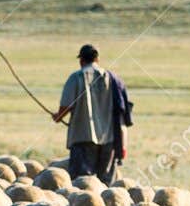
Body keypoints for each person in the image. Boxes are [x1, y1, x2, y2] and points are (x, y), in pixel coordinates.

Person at [54, 44, 132, 182]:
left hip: (83, 138)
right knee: (107, 185)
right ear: (97, 59)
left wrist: (58, 117)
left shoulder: (76, 77)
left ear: (81, 60)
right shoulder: (113, 79)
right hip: (109, 139)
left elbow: (66, 106)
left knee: (82, 184)